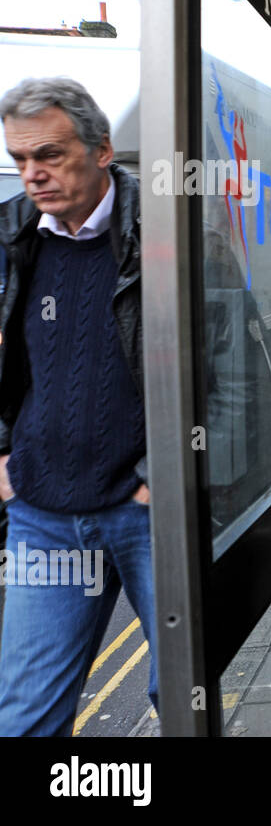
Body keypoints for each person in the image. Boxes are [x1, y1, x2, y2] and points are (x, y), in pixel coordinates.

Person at [0, 77, 155, 735]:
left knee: (182, 699)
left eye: (50, 156)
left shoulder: (166, 228)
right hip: (43, 515)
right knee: (25, 719)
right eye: (21, 161)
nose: (33, 175)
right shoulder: (11, 237)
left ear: (100, 150)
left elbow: (231, 361)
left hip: (147, 514)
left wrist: (166, 480)